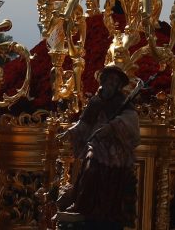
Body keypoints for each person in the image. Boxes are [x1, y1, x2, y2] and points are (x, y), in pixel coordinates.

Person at [57, 64, 142, 228]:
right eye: (109, 79)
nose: (111, 83)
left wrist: (112, 127)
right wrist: (70, 132)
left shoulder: (122, 102)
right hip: (96, 145)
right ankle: (83, 205)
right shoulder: (95, 102)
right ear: (103, 81)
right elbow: (83, 123)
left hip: (115, 151)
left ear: (118, 85)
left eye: (115, 81)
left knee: (108, 180)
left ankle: (107, 211)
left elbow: (131, 121)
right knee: (89, 170)